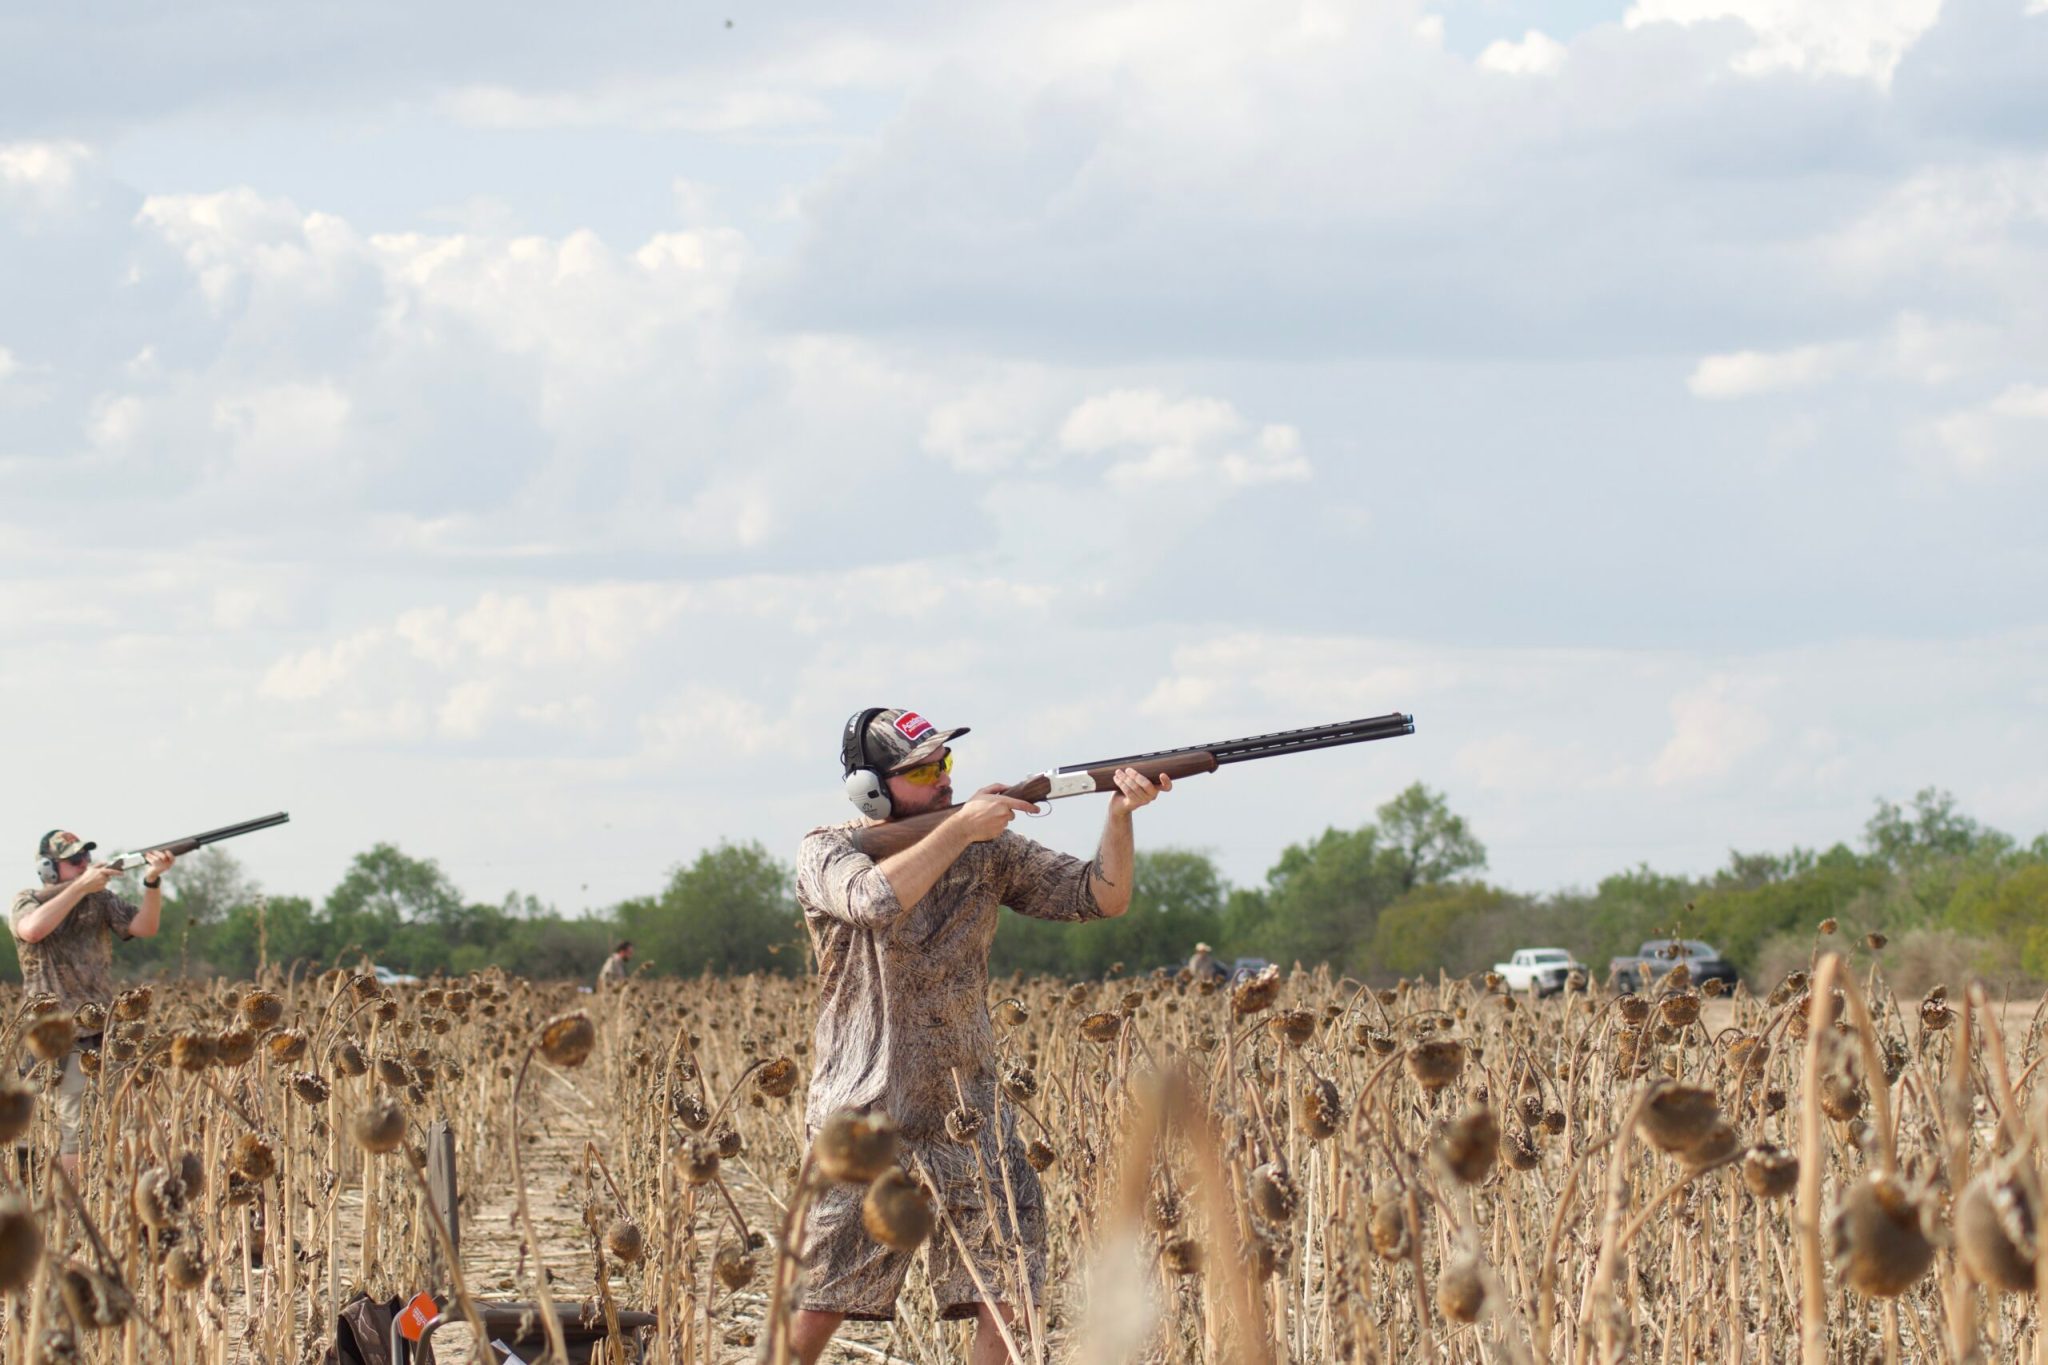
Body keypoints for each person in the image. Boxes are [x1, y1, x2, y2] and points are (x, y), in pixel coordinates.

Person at [792, 708, 1170, 1365]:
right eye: (923, 770)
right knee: (820, 1296)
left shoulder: (989, 850)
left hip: (971, 1111)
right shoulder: (827, 850)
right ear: (871, 789)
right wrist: (962, 827)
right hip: (865, 1114)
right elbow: (875, 901)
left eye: (946, 764)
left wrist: (1120, 815)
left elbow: (1100, 895)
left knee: (1012, 1289)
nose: (943, 780)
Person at [9, 829, 172, 1178]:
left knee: (85, 1128)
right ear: (49, 869)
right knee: (45, 1132)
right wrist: (81, 887)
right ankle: (59, 1208)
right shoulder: (29, 900)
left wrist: (152, 882)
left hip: (97, 1034)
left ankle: (80, 1202)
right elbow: (32, 930)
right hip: (47, 1035)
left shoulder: (100, 901)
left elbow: (145, 926)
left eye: (85, 858)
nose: (83, 864)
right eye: (73, 860)